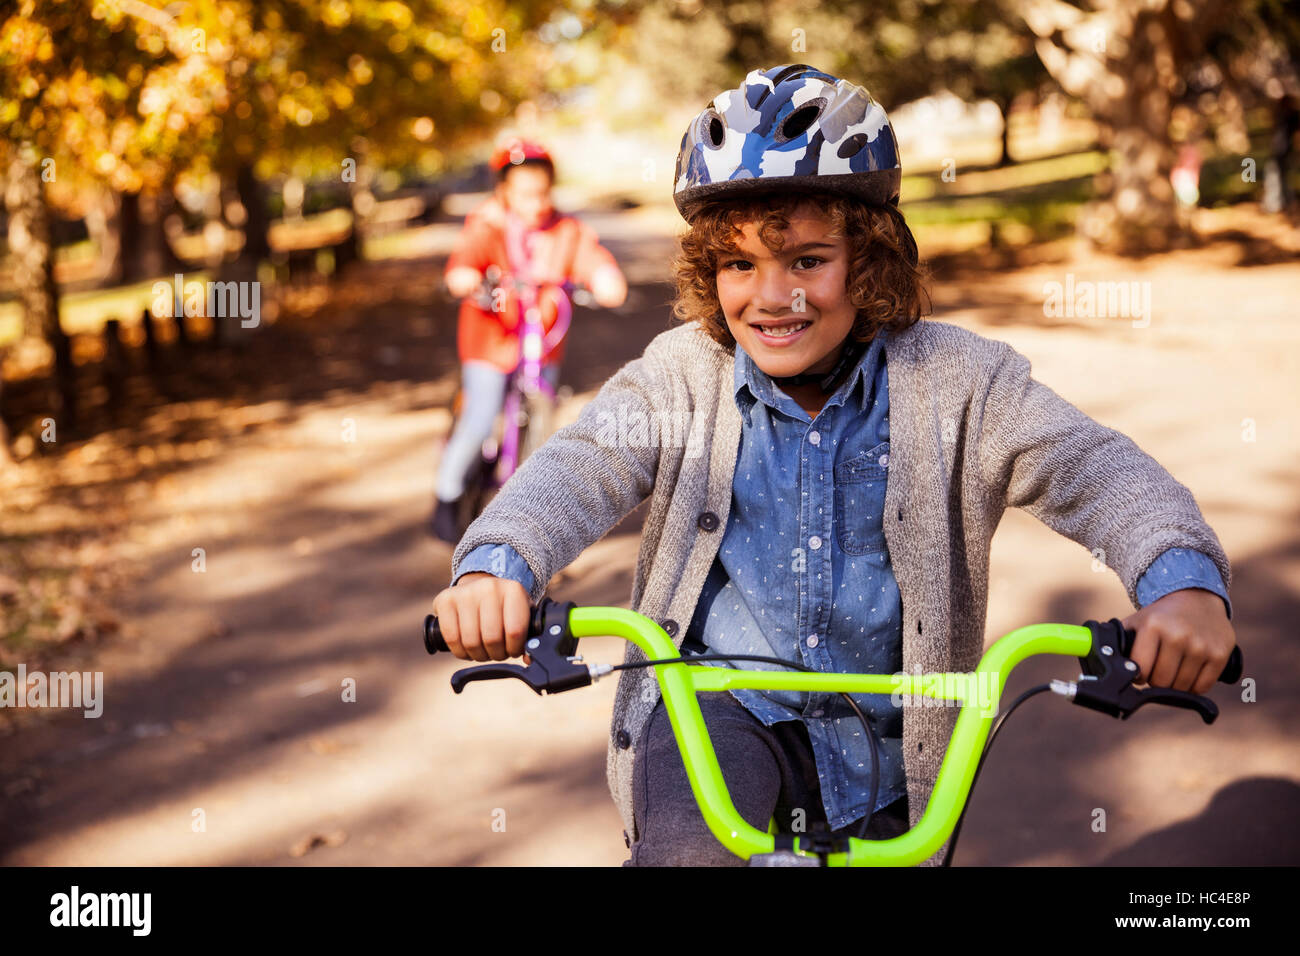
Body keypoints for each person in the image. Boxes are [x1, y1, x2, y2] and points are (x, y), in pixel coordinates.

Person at [429, 65, 1237, 866]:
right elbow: (579, 463)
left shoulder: (960, 383)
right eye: (740, 265)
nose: (772, 297)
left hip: (889, 739)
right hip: (716, 712)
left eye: (808, 260)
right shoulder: (683, 373)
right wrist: (498, 567)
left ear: (871, 258)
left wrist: (1184, 588)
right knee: (686, 858)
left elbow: (1095, 470)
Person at [430, 136, 628, 542]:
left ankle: (528, 505)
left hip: (543, 344)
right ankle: (446, 495)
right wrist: (468, 281)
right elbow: (463, 266)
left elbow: (593, 260)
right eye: (523, 193)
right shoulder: (487, 224)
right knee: (481, 413)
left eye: (541, 192)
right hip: (490, 341)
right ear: (503, 190)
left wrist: (606, 279)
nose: (535, 202)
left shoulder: (566, 229)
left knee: (544, 417)